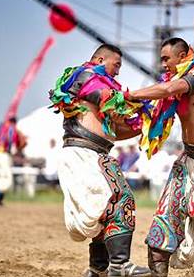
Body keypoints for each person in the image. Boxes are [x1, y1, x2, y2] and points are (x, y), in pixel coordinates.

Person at [127, 38, 194, 276]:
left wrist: (130, 94)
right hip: (189, 159)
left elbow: (168, 89)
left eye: (167, 58)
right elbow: (151, 112)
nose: (163, 63)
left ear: (183, 54)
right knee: (164, 215)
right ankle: (158, 272)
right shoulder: (172, 84)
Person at [49, 44, 150, 277]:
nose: (118, 72)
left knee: (106, 209)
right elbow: (106, 97)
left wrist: (146, 121)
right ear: (101, 59)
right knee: (121, 199)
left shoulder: (98, 86)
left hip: (94, 153)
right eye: (116, 65)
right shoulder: (86, 75)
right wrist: (143, 98)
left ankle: (98, 268)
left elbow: (115, 130)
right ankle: (119, 265)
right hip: (84, 153)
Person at [0, 116, 26, 206]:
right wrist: (17, 149)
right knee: (5, 177)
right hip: (5, 156)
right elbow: (23, 142)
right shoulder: (13, 130)